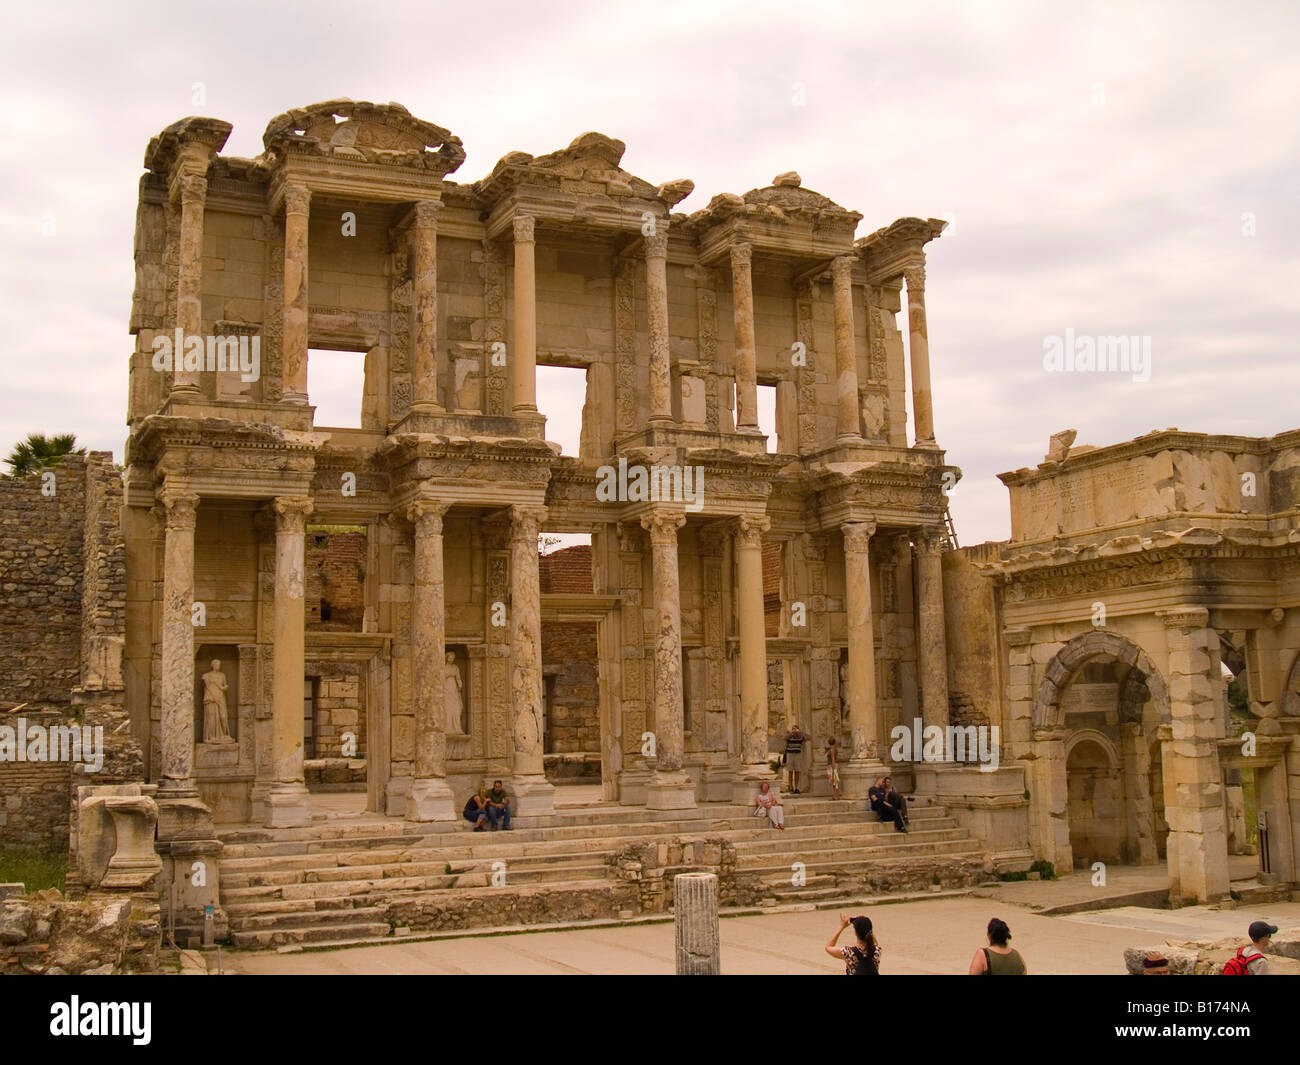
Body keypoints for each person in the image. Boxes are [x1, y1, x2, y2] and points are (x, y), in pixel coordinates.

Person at [783, 723, 810, 793]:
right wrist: (791, 733)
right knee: (790, 771)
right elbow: (784, 738)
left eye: (796, 729)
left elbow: (809, 738)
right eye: (793, 729)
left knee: (797, 771)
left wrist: (801, 733)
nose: (795, 731)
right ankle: (791, 787)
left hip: (798, 755)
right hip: (790, 754)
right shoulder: (789, 736)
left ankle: (796, 787)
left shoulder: (800, 737)